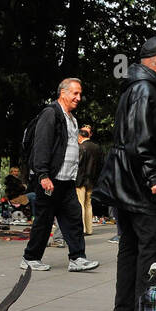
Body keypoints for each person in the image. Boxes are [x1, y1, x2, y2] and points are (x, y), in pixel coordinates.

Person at [95, 36, 156, 311]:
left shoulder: (136, 86)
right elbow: (142, 138)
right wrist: (155, 177)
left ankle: (125, 310)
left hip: (125, 179)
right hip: (138, 182)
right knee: (151, 246)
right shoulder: (146, 89)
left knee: (130, 245)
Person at [20, 79, 99, 272]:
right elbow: (42, 145)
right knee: (44, 221)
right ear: (62, 93)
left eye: (80, 94)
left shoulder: (72, 119)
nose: (78, 98)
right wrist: (43, 175)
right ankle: (30, 258)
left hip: (67, 181)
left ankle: (78, 258)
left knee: (73, 218)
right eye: (75, 93)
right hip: (50, 180)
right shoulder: (51, 113)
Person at [75, 124, 102, 236]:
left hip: (81, 180)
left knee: (80, 204)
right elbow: (100, 165)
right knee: (88, 204)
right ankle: (89, 229)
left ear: (80, 136)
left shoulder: (81, 147)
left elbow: (78, 164)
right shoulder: (97, 148)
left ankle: (82, 229)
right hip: (92, 180)